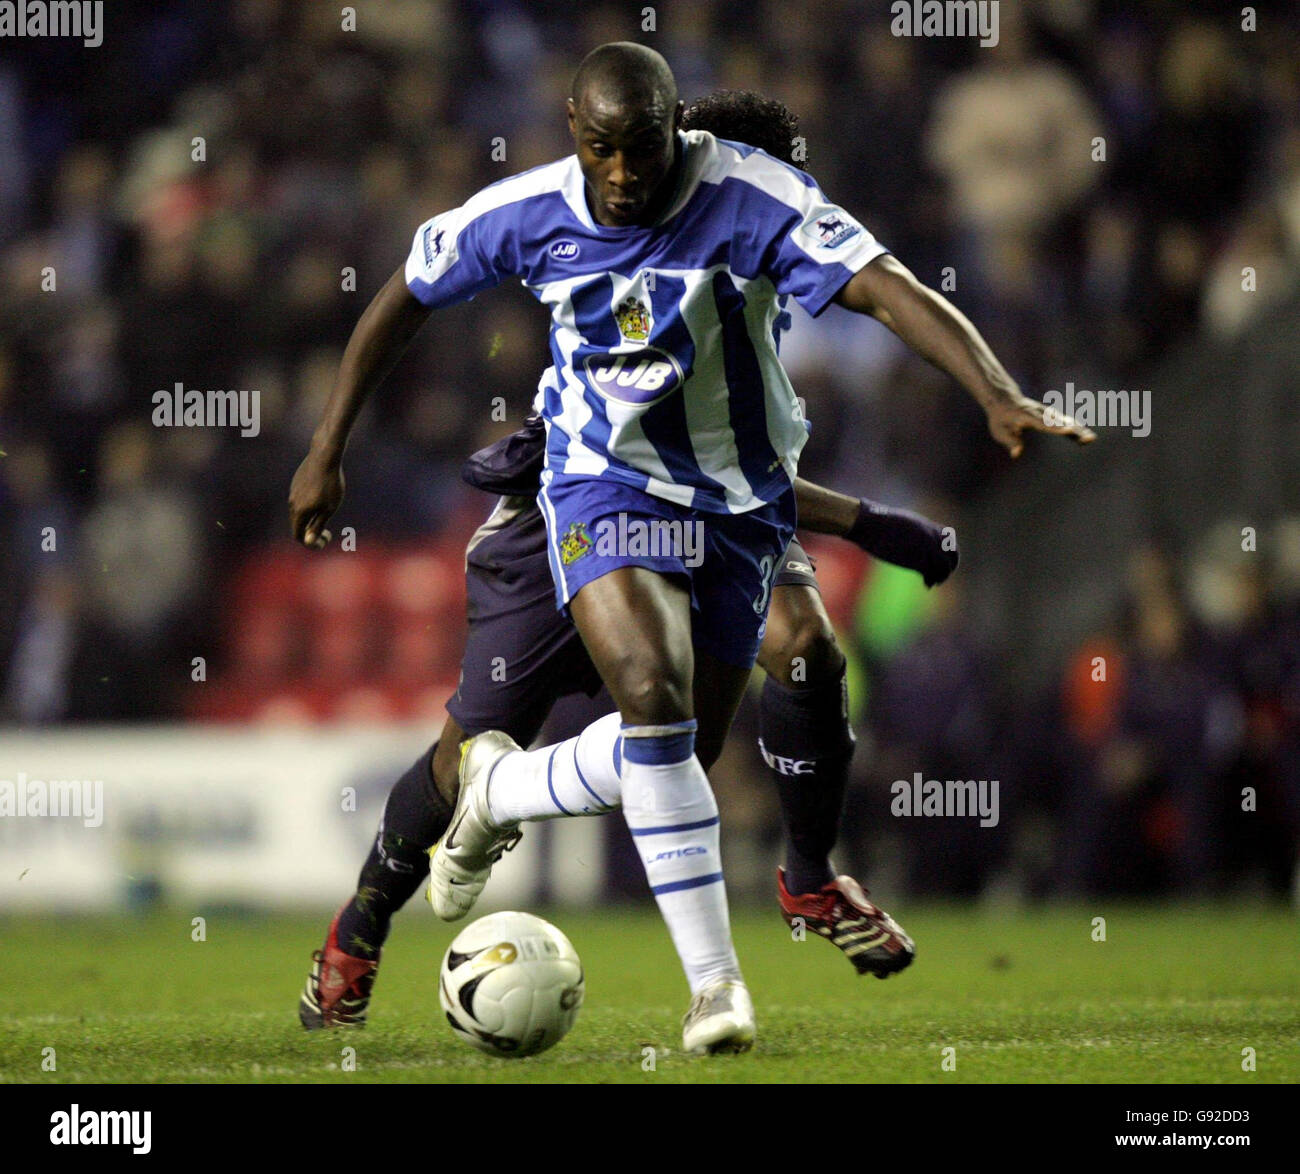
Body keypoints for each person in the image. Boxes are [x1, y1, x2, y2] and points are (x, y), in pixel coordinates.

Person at [290, 44, 1092, 1054]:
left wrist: (985, 400)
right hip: (567, 508)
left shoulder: (759, 230)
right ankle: (363, 928)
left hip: (726, 516)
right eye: (603, 152)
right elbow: (407, 291)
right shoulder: (532, 213)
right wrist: (325, 449)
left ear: (686, 142)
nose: (624, 176)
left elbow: (866, 309)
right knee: (492, 741)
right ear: (577, 136)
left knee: (718, 716)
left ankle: (778, 867)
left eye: (647, 153)